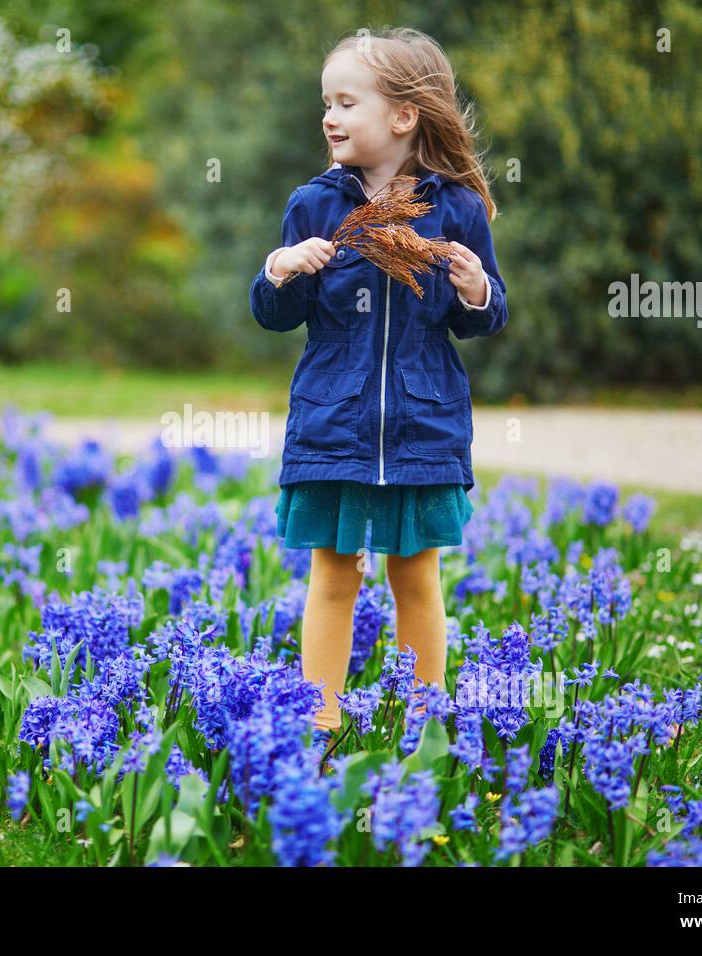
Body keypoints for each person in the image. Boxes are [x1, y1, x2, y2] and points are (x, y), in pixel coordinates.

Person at [249, 27, 509, 747]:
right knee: (333, 576)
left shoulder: (453, 208)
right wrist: (280, 271)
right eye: (325, 103)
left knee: (416, 577)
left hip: (424, 423)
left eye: (346, 102)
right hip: (334, 421)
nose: (329, 116)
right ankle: (320, 719)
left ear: (403, 116)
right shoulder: (313, 205)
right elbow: (276, 317)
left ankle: (425, 720)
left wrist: (478, 289)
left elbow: (480, 320)